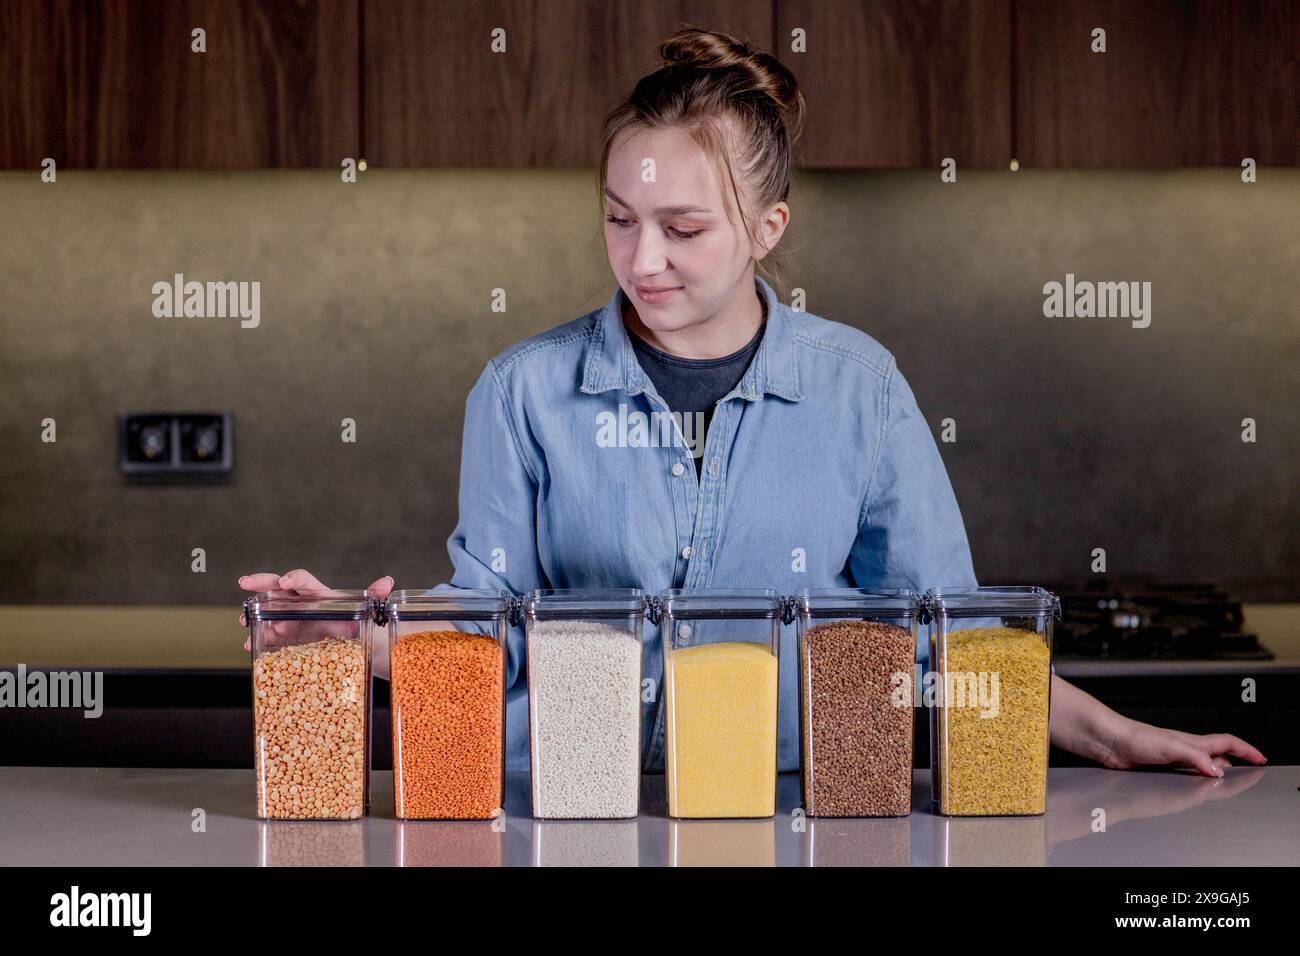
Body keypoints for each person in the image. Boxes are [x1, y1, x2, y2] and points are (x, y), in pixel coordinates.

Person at [240, 27, 1263, 782]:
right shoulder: (523, 391)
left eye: (683, 228)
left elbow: (947, 631)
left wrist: (1114, 733)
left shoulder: (857, 388)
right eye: (618, 218)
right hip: (566, 807)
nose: (644, 258)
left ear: (768, 224)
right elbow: (482, 630)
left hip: (792, 811)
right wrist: (351, 632)